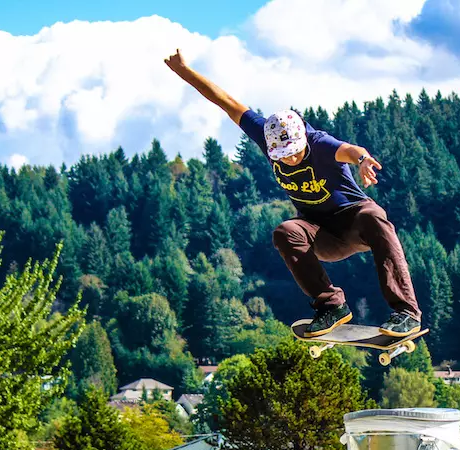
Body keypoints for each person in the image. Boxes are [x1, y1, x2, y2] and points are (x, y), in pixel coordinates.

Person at [163, 49, 422, 338]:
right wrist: (185, 71)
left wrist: (362, 160)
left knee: (374, 216)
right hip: (320, 234)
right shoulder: (265, 135)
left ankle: (407, 313)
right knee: (285, 231)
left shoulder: (319, 143)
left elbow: (349, 150)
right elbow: (228, 103)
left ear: (302, 141)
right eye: (282, 156)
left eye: (295, 153)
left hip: (353, 223)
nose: (290, 160)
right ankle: (331, 307)